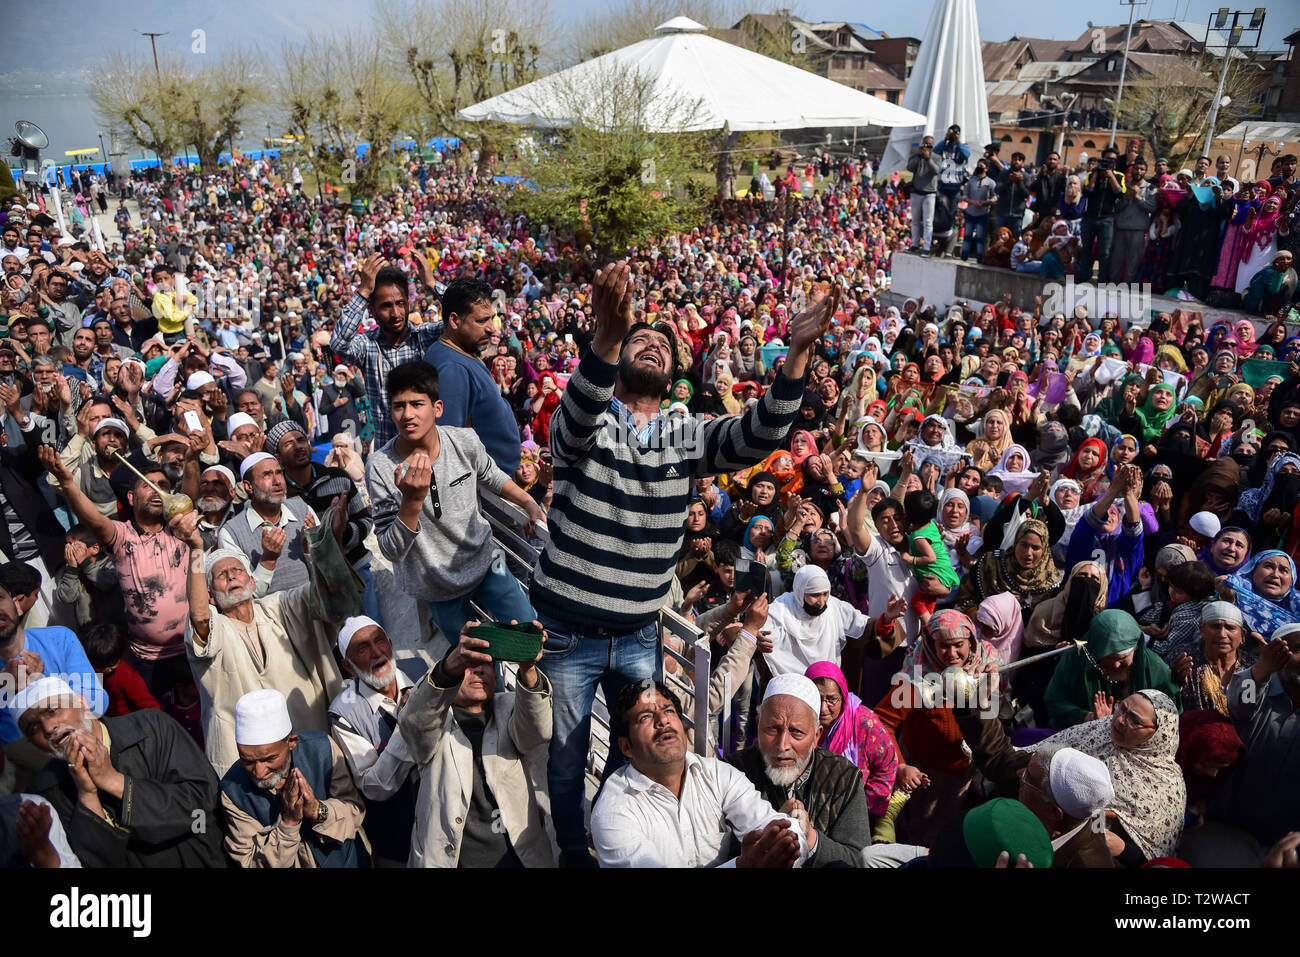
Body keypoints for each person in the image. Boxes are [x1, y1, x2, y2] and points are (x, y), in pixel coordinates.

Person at [528, 263, 837, 864]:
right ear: (619, 359)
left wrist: (797, 352)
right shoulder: (589, 418)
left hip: (640, 629)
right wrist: (605, 339)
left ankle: (627, 842)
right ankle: (573, 853)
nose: (653, 343)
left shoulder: (688, 434)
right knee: (565, 760)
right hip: (567, 631)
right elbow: (566, 435)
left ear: (676, 375)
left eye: (664, 344)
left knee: (636, 755)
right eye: (640, 338)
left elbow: (758, 434)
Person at [366, 361, 543, 644]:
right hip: (436, 588)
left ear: (437, 408)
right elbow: (391, 550)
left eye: (416, 404)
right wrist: (411, 502)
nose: (407, 414)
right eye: (399, 406)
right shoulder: (381, 467)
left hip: (487, 565)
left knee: (528, 637)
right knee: (477, 663)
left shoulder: (464, 441)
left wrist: (529, 504)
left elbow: (492, 476)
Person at [175, 509, 344, 776]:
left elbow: (328, 596)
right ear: (210, 596)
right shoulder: (216, 627)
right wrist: (196, 549)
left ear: (253, 582)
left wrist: (320, 548)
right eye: (221, 575)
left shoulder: (279, 605)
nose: (231, 576)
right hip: (250, 765)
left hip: (308, 745)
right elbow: (199, 618)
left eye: (237, 570)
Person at [590, 679, 809, 868]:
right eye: (646, 717)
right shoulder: (614, 811)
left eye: (668, 711)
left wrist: (783, 847)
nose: (663, 721)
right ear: (626, 747)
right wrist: (744, 865)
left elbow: (783, 829)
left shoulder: (718, 775)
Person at [39, 443, 198, 698]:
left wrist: (192, 460)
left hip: (194, 648)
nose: (158, 490)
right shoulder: (123, 536)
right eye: (148, 484)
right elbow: (93, 520)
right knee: (155, 721)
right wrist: (67, 484)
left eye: (164, 485)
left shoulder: (181, 529)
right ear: (131, 497)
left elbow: (189, 496)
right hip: (148, 658)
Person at [14, 676, 225, 867]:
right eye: (33, 728)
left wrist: (113, 781)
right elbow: (93, 864)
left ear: (82, 703)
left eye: (52, 710)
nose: (49, 727)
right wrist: (88, 795)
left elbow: (202, 807)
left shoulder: (152, 728)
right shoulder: (48, 791)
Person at [398, 620, 555, 868]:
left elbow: (537, 731)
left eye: (487, 664)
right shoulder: (437, 722)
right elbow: (414, 722)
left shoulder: (509, 707)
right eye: (469, 665)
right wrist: (451, 665)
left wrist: (528, 667)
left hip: (519, 859)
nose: (479, 670)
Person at [953, 680, 1117, 868]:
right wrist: (973, 699)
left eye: (1027, 777)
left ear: (1053, 812)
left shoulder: (1087, 863)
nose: (1020, 773)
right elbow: (1000, 756)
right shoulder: (1040, 774)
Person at [726, 674, 872, 867]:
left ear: (817, 736)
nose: (782, 745)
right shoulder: (732, 771)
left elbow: (859, 860)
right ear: (759, 723)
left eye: (796, 732)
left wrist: (810, 838)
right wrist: (769, 834)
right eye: (772, 728)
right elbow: (716, 853)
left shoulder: (844, 778)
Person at [1027, 690, 1186, 864]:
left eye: (1134, 720)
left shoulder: (1166, 785)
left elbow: (1157, 859)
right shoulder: (1100, 729)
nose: (1119, 720)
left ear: (1158, 736)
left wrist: (1123, 848)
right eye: (1121, 708)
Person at [219, 689, 367, 868]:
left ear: (292, 742)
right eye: (247, 761)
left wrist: (317, 810)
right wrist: (288, 824)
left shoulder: (322, 750)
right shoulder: (233, 790)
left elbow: (355, 811)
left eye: (269, 759)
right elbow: (248, 862)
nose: (258, 772)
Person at [327, 616, 425, 868]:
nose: (376, 652)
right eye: (362, 648)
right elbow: (374, 786)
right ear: (348, 667)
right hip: (399, 845)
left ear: (390, 645)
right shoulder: (344, 713)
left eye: (380, 641)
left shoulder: (420, 670)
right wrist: (406, 728)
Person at [330, 256, 443, 449]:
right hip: (389, 458)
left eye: (400, 303)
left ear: (409, 303)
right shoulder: (367, 345)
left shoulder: (426, 336)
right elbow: (338, 343)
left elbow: (466, 317)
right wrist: (364, 290)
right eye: (386, 306)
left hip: (431, 453)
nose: (396, 313)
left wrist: (432, 284)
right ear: (371, 310)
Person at [424, 277, 521, 475]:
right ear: (454, 320)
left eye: (491, 319)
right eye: (481, 320)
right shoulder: (451, 368)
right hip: (483, 493)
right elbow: (448, 449)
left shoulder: (463, 351)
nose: (492, 328)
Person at [1045, 609, 1181, 729]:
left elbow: (1171, 714)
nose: (1116, 665)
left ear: (1136, 649)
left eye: (1123, 658)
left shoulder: (1153, 667)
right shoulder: (1075, 659)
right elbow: (1054, 700)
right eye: (1109, 658)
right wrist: (1088, 717)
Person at [805, 661, 898, 825]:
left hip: (853, 816)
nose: (823, 708)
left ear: (843, 696)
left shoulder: (864, 723)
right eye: (817, 698)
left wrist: (862, 808)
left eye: (832, 699)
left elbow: (887, 766)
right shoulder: (800, 719)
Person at [217, 452, 318, 598]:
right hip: (269, 618)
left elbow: (328, 574)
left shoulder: (303, 510)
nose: (277, 481)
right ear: (248, 487)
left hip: (313, 609)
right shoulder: (231, 533)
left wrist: (311, 550)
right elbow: (243, 596)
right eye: (267, 475)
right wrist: (268, 560)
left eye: (279, 473)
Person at [900, 489, 959, 624]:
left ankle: (930, 629)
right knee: (929, 603)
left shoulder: (918, 537)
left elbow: (931, 557)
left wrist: (911, 559)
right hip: (941, 570)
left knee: (917, 604)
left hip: (936, 573)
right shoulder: (930, 523)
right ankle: (930, 623)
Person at [906, 136, 941, 255]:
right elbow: (910, 167)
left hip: (929, 193)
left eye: (929, 145)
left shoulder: (937, 157)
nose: (927, 147)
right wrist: (919, 156)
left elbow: (936, 170)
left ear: (933, 146)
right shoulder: (916, 156)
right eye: (925, 144)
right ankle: (915, 244)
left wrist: (928, 158)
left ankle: (926, 247)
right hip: (916, 192)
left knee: (927, 221)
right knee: (915, 220)